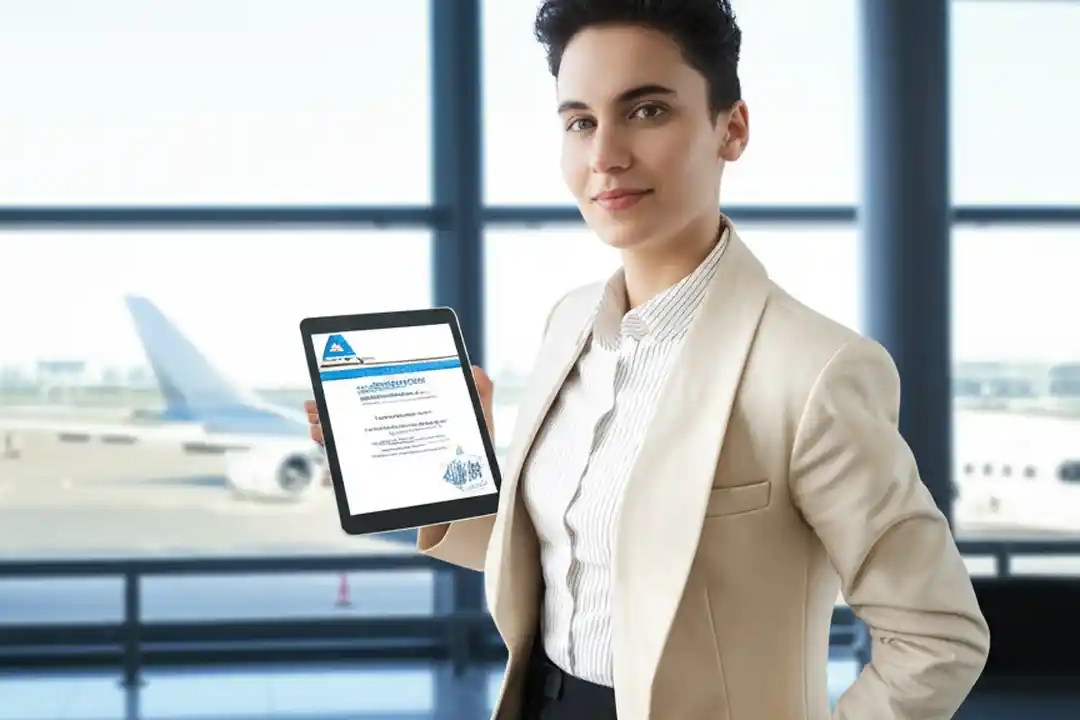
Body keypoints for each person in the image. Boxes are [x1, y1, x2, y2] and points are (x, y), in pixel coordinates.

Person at [308, 1, 989, 717]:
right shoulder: (568, 324)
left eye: (646, 111)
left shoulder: (814, 368)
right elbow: (575, 565)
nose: (605, 155)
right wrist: (453, 470)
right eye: (580, 121)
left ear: (732, 129)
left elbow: (938, 638)